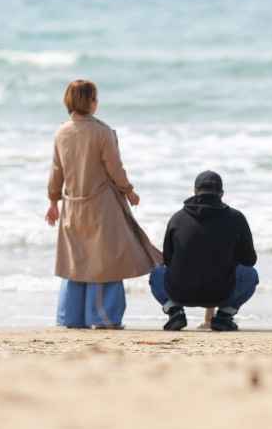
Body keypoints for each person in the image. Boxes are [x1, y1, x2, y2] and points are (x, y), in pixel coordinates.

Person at [45, 80, 162, 329]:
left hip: (72, 206)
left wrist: (53, 202)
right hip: (101, 204)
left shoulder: (61, 131)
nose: (97, 103)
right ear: (90, 102)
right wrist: (129, 191)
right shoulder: (102, 131)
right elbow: (114, 168)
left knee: (75, 261)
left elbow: (56, 170)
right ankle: (102, 318)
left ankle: (70, 318)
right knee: (107, 260)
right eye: (95, 98)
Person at [148, 170, 259, 332]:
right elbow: (249, 261)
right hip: (221, 293)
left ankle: (175, 312)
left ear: (194, 192)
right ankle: (224, 316)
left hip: (179, 292)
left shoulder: (177, 218)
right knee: (252, 275)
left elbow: (168, 258)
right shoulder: (236, 218)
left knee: (156, 274)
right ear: (221, 194)